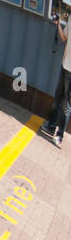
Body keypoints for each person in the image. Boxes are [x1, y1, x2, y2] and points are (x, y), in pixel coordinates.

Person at [40, 11, 70, 148]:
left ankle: (59, 135)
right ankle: (52, 126)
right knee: (58, 97)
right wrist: (58, 24)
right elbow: (64, 37)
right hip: (64, 65)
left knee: (66, 105)